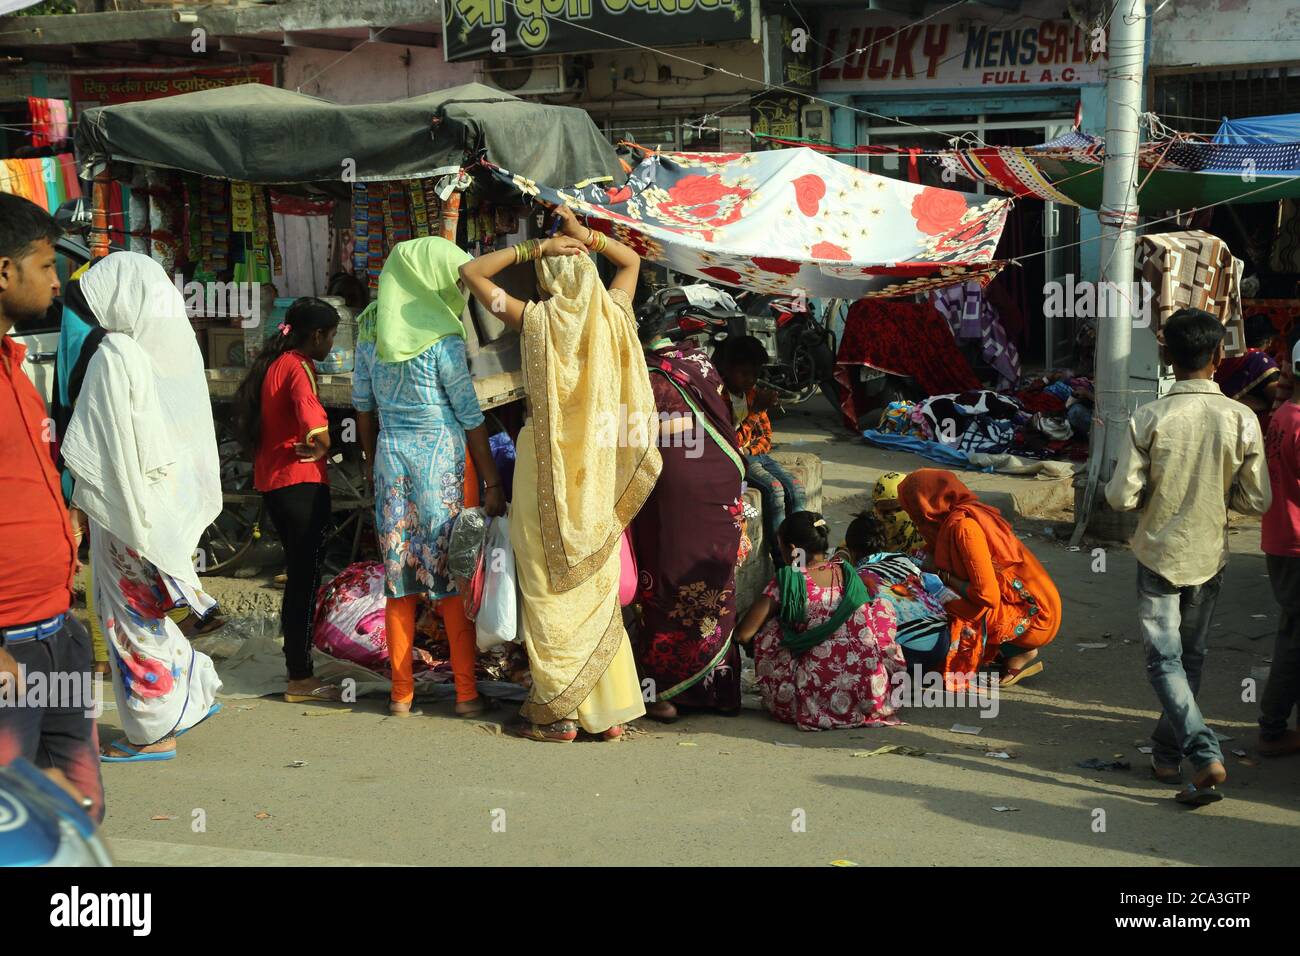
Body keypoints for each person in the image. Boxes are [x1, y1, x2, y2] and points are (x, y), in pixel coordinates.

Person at [460, 204, 660, 742]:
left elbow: (471, 273)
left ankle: (559, 714)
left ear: (548, 281)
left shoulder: (533, 319)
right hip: (597, 479)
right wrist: (585, 235)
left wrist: (537, 248)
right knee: (592, 588)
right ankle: (607, 713)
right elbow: (633, 261)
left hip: (542, 477)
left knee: (549, 588)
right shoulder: (615, 312)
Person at [61, 251, 224, 762]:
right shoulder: (171, 347)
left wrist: (78, 502)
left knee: (127, 616)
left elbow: (98, 444)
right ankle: (188, 692)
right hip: (162, 504)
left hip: (123, 507)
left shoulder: (114, 352)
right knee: (147, 610)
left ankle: (152, 730)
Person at [1106, 307, 1271, 806]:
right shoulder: (1241, 418)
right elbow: (1256, 499)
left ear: (1164, 355)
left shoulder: (1149, 417)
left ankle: (1198, 750)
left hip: (1158, 553)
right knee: (1189, 658)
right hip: (1210, 553)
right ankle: (1165, 750)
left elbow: (1119, 497)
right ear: (1220, 356)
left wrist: (1151, 494)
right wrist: (1221, 500)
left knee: (1165, 661)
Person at [353, 236, 506, 718]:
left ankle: (401, 695)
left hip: (390, 463)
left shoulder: (370, 326)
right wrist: (491, 482)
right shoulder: (442, 334)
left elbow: (362, 405)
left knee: (400, 580)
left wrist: (372, 462)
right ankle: (465, 694)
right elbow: (469, 413)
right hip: (440, 462)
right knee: (448, 578)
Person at [0, 194, 103, 814]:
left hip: (57, 634)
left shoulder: (16, 365)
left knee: (77, 813)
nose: (56, 280)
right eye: (45, 265)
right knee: (16, 830)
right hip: (6, 647)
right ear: (3, 271)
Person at [631, 297, 746, 722]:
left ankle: (665, 691)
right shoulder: (698, 362)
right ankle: (719, 691)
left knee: (668, 578)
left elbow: (636, 438)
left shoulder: (645, 373)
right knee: (714, 580)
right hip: (721, 484)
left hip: (676, 488)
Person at [236, 297, 341, 704]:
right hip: (301, 485)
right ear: (316, 335)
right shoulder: (298, 366)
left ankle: (299, 664)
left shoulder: (272, 364)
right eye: (330, 336)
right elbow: (309, 412)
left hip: (276, 482)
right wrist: (322, 441)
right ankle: (299, 675)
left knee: (299, 576)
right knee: (305, 578)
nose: (330, 344)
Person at [734, 511, 903, 731]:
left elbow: (744, 634)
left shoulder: (789, 580)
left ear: (793, 549)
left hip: (813, 697)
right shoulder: (849, 572)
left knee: (773, 626)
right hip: (869, 692)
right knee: (879, 609)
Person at [897, 469, 1061, 691]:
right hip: (1014, 602)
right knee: (926, 589)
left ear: (925, 504)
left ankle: (1017, 648)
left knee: (944, 603)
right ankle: (1008, 649)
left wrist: (942, 577)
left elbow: (986, 596)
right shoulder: (946, 523)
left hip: (1036, 617)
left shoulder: (965, 528)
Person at [717, 335, 805, 566]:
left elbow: (765, 436)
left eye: (754, 375)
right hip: (739, 461)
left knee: (796, 488)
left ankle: (802, 555)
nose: (750, 380)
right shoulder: (719, 398)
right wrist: (754, 412)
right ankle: (782, 561)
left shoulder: (752, 394)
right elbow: (730, 441)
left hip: (756, 456)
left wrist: (750, 447)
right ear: (727, 369)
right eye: (744, 374)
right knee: (775, 491)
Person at [1257, 338, 1300, 758]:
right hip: (1295, 543)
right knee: (1293, 639)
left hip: (1280, 538)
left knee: (1292, 630)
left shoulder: (1283, 414)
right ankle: (1271, 726)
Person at [844, 510, 954, 673]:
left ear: (851, 551)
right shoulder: (904, 560)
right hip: (941, 644)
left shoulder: (858, 578)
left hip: (909, 654)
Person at [1214, 312, 1280, 433]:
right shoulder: (1260, 360)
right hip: (1250, 427)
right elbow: (1277, 399)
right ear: (1268, 340)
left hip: (1221, 420)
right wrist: (1263, 404)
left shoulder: (1226, 357)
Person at [868, 471, 927, 558]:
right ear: (876, 508)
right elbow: (851, 545)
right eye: (886, 511)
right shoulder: (869, 525)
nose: (894, 516)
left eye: (899, 509)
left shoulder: (927, 533)